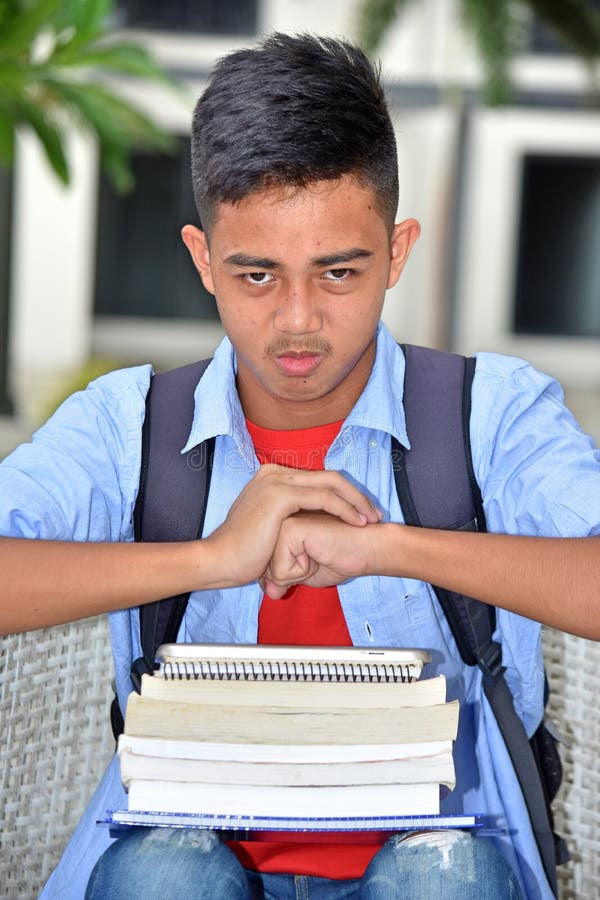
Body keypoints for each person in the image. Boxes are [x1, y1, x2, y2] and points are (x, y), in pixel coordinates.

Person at [1, 31, 599, 900]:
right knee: (161, 878)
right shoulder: (128, 423)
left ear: (397, 252)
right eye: (255, 275)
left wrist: (387, 546)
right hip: (191, 854)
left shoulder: (491, 412)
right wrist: (211, 560)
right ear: (203, 259)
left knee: (442, 880)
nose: (297, 322)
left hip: (441, 856)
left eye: (338, 272)